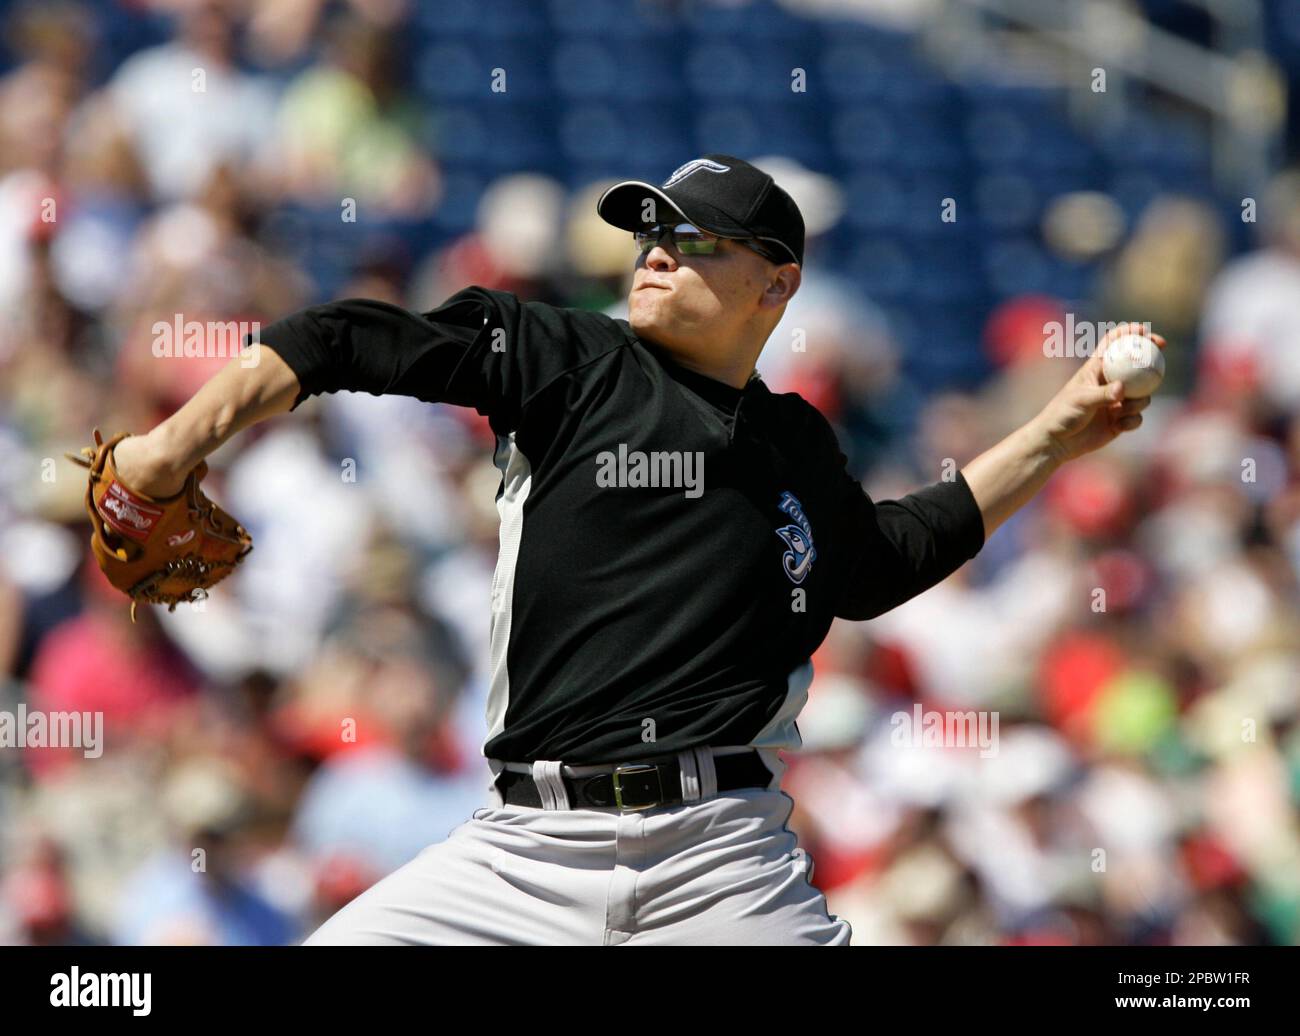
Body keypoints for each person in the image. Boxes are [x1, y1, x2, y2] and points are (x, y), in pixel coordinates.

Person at [108, 154, 1155, 945]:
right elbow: (341, 339)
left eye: (695, 240)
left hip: (726, 857)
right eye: (649, 232)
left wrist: (1061, 429)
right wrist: (167, 447)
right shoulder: (568, 358)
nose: (656, 250)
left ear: (776, 284)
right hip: (523, 851)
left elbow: (887, 558)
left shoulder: (795, 442)